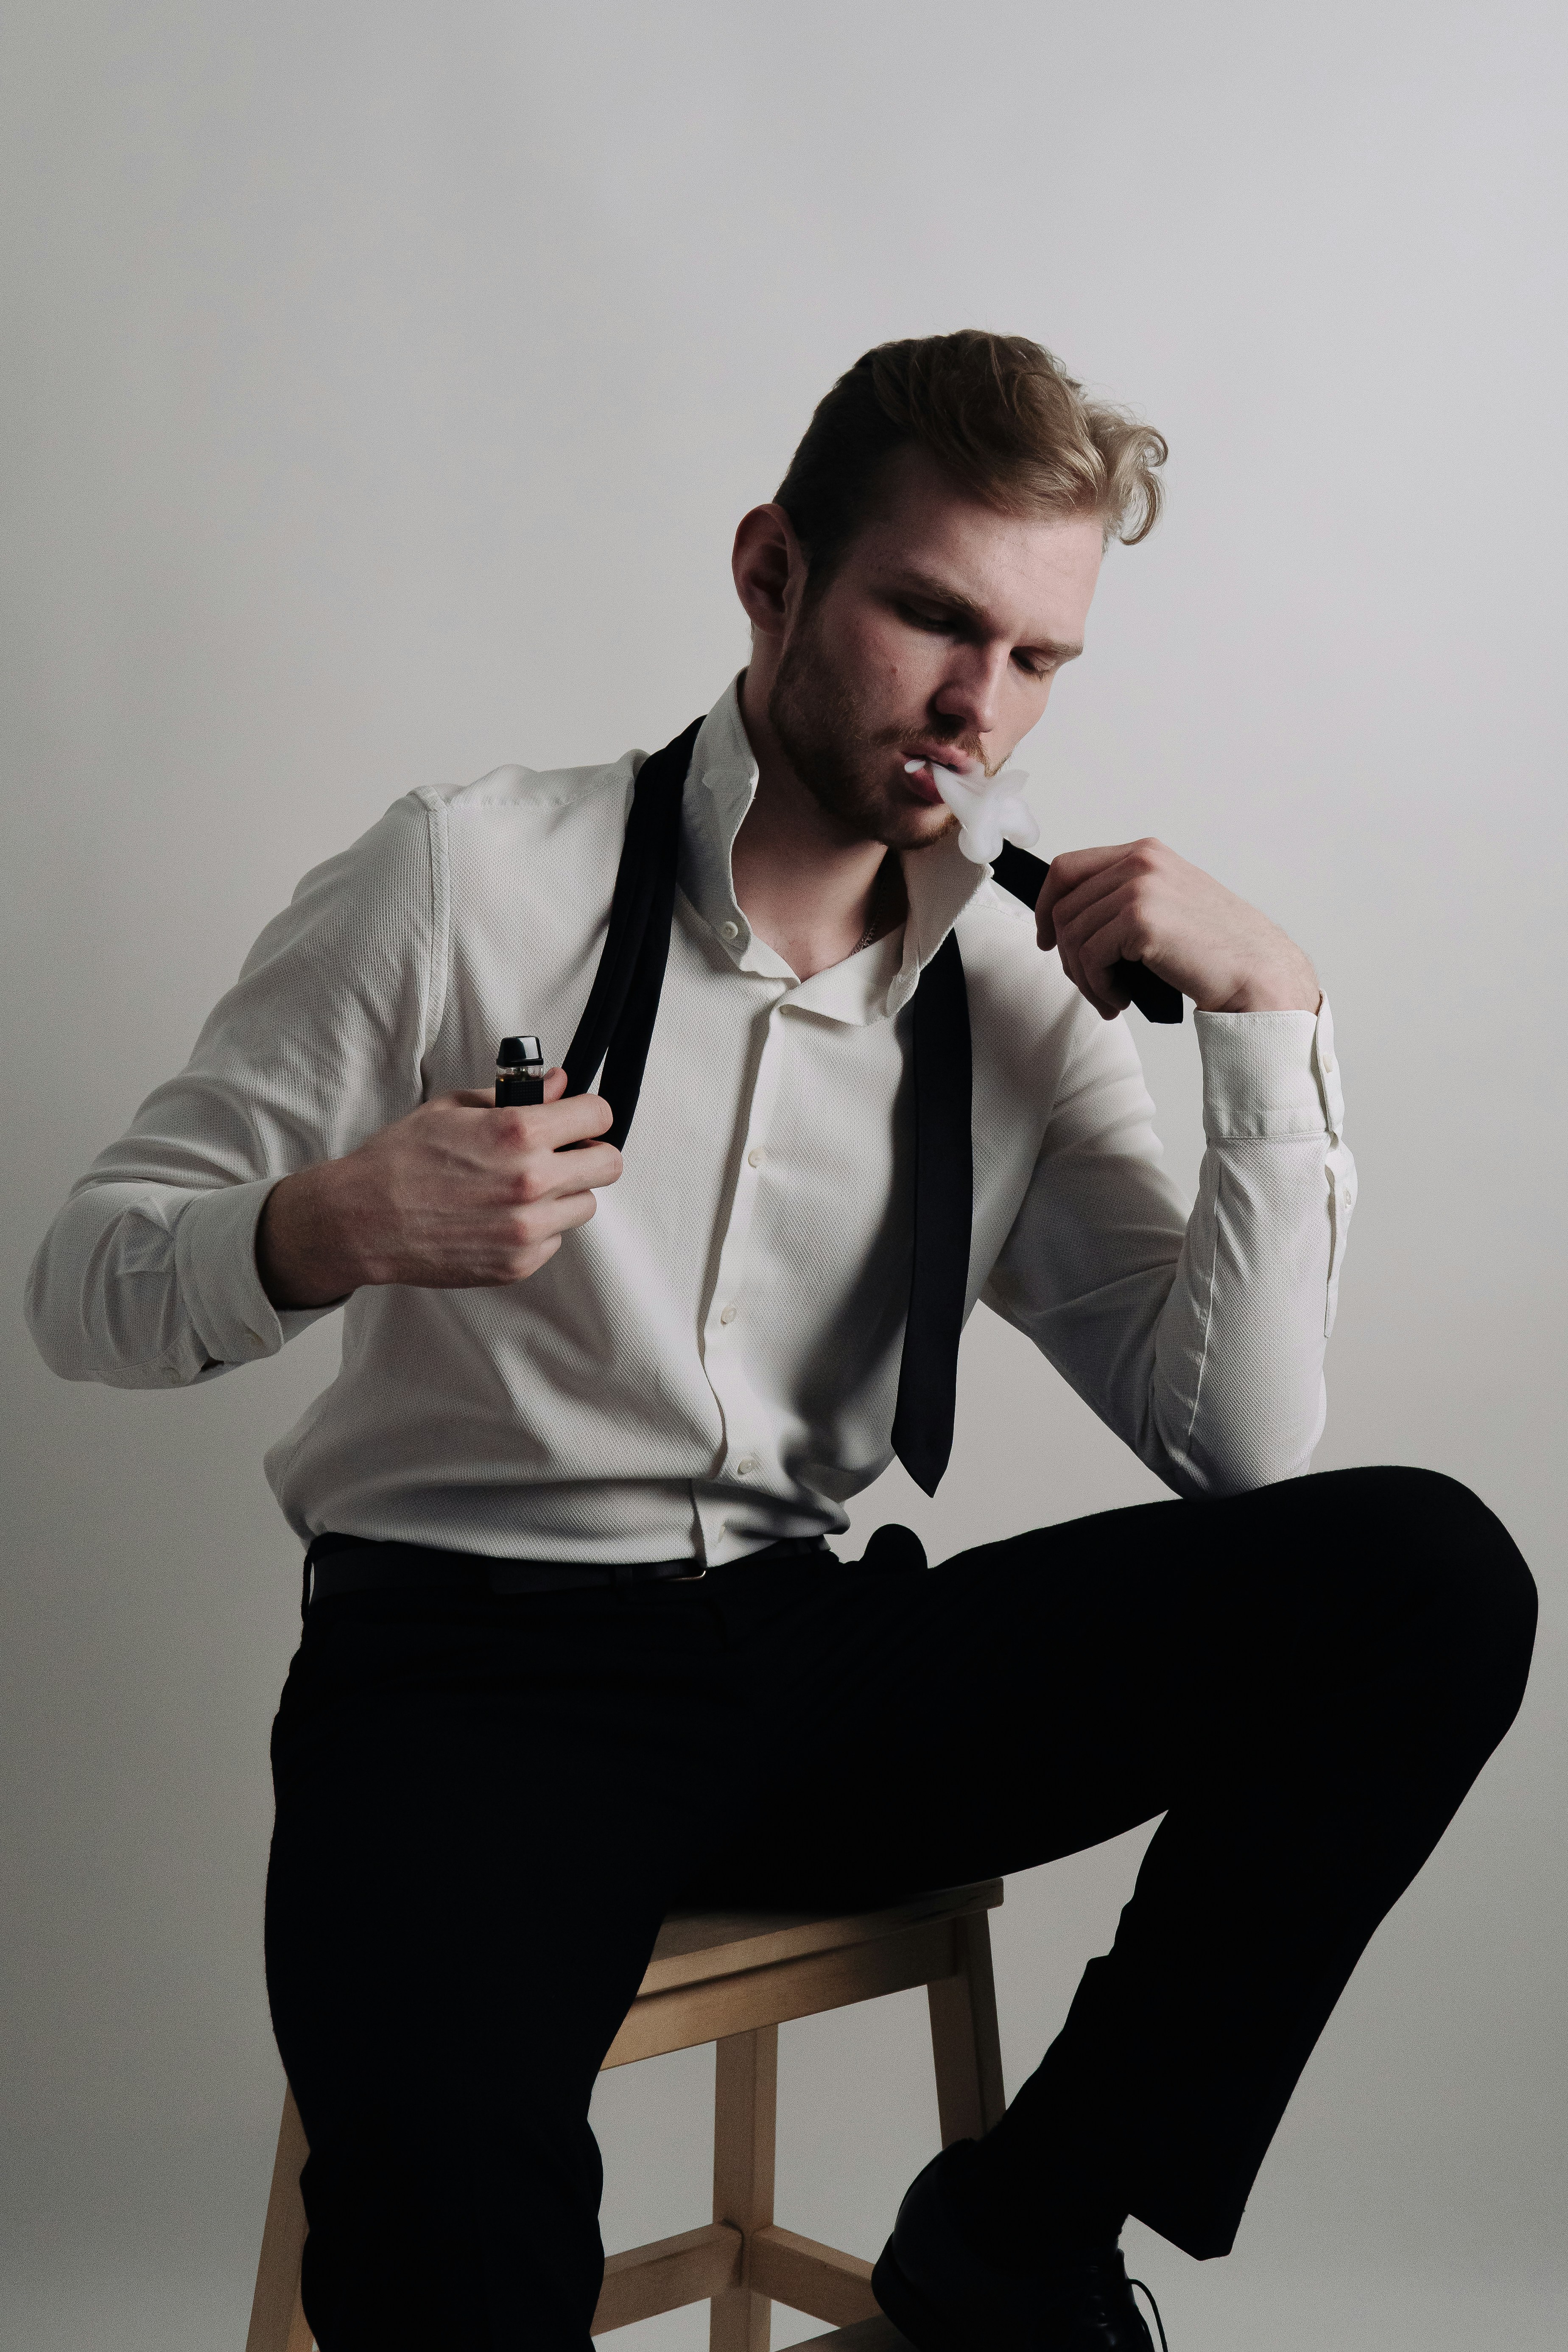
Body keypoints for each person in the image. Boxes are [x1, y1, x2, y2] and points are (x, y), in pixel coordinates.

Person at [26, 331, 1535, 2352]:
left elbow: (1242, 1454)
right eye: (930, 617)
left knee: (1418, 1577)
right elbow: (85, 1281)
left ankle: (1020, 2230)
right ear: (771, 573)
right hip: (469, 1678)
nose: (974, 709)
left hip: (808, 1659)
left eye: (1034, 659)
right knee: (458, 2280)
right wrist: (329, 1220)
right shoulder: (468, 873)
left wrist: (1271, 1018)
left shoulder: (1008, 984)